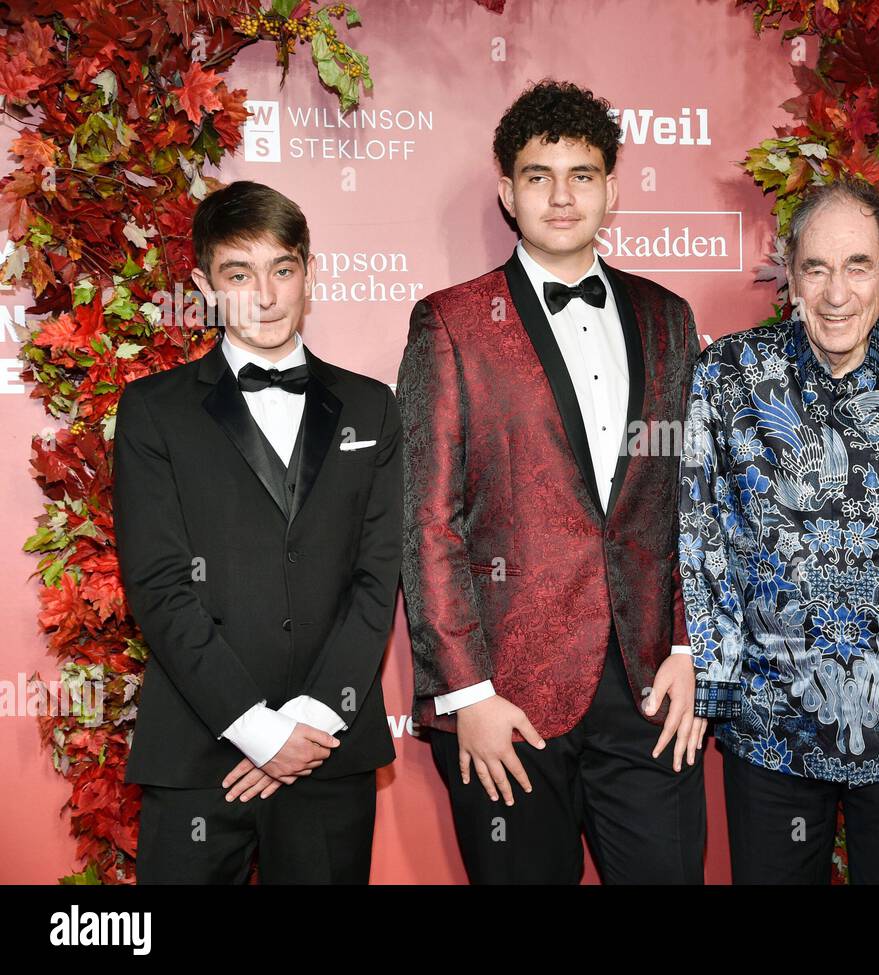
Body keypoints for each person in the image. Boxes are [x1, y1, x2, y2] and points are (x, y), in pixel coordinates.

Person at [398, 79, 705, 884]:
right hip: (509, 703)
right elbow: (428, 521)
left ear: (611, 186)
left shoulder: (669, 316)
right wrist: (467, 696)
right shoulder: (452, 323)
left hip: (648, 691)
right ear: (507, 190)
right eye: (538, 176)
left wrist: (685, 642)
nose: (562, 196)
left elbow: (689, 499)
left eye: (582, 174)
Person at [680, 179, 879, 884]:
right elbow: (701, 528)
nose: (836, 291)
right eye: (816, 267)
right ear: (791, 273)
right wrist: (718, 679)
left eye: (858, 265)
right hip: (772, 720)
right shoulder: (729, 375)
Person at [114, 180, 403, 883]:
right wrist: (258, 729)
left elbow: (378, 576)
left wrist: (308, 725)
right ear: (204, 284)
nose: (266, 295)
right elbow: (158, 586)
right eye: (239, 274)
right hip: (198, 748)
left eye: (283, 269)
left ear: (309, 272)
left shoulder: (372, 405)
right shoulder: (154, 411)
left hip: (328, 750)